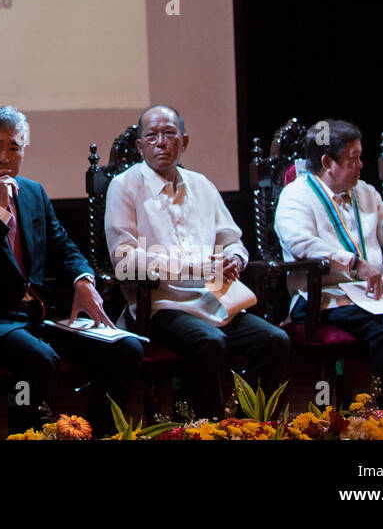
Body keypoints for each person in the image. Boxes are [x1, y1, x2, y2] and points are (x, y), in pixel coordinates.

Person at [0, 106, 142, 435]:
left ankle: (99, 434)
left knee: (125, 349)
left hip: (40, 315)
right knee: (38, 360)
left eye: (14, 148)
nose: (4, 157)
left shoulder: (33, 192)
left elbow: (63, 247)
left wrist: (82, 280)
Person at [107, 105, 290, 419]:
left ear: (184, 142)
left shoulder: (201, 185)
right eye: (151, 136)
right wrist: (194, 269)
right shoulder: (125, 186)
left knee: (275, 341)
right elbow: (124, 260)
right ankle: (209, 428)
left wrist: (234, 258)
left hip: (214, 298)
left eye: (169, 134)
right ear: (140, 146)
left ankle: (249, 424)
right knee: (210, 342)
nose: (161, 142)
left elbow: (231, 237)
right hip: (162, 305)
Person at [276, 118, 383, 406]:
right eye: (353, 159)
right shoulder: (296, 196)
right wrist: (354, 263)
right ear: (328, 162)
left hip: (373, 295)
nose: (361, 165)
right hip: (325, 298)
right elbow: (301, 243)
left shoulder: (365, 192)